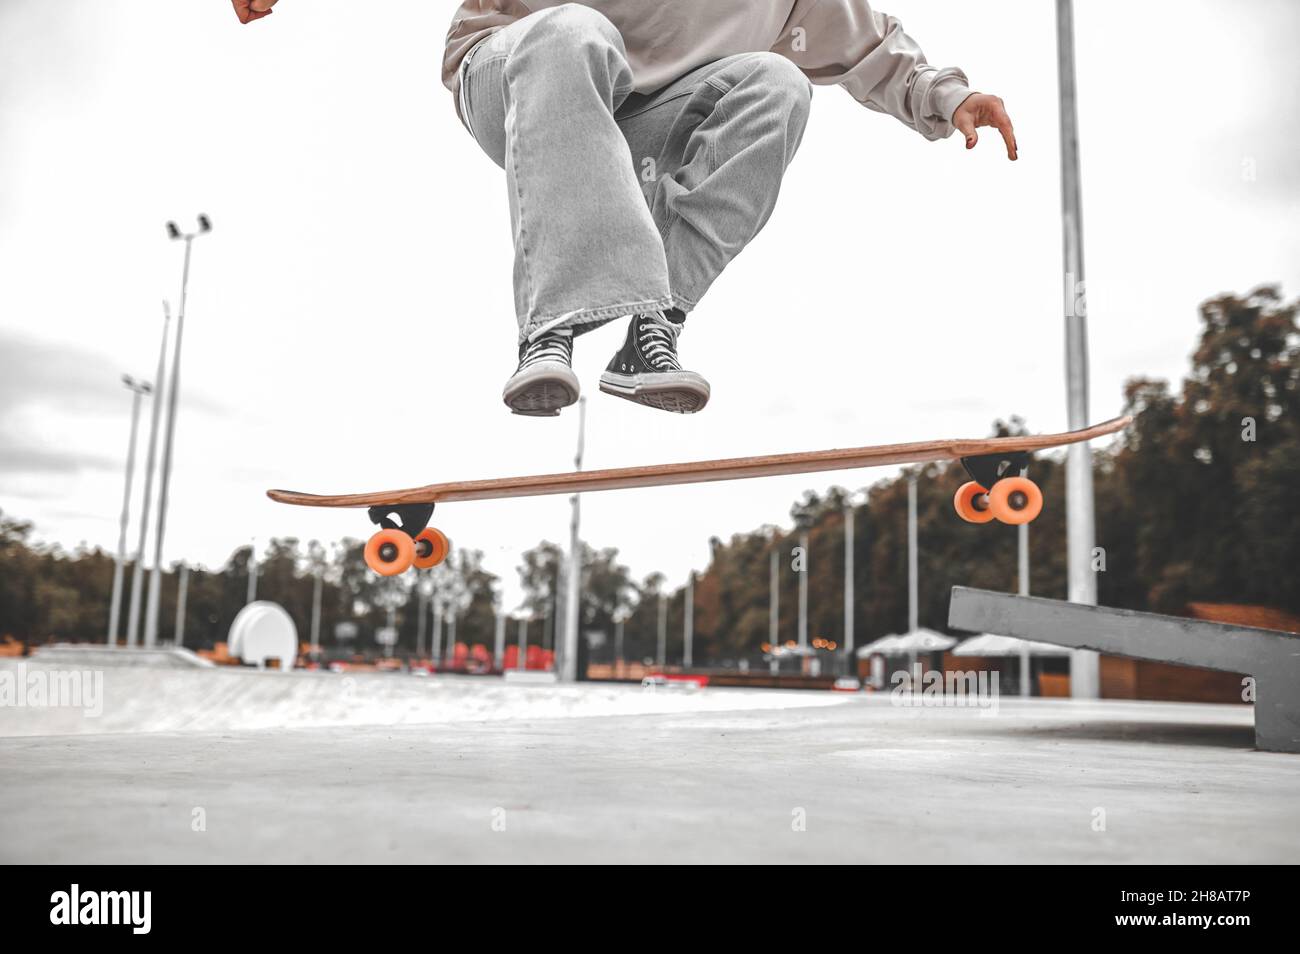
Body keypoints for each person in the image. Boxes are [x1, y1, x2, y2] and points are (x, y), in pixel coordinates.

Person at [233, 0, 1017, 417]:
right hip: (518, 76)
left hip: (650, 120)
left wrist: (950, 98)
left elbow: (870, 44)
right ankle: (550, 330)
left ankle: (652, 331)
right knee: (574, 32)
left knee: (779, 82)